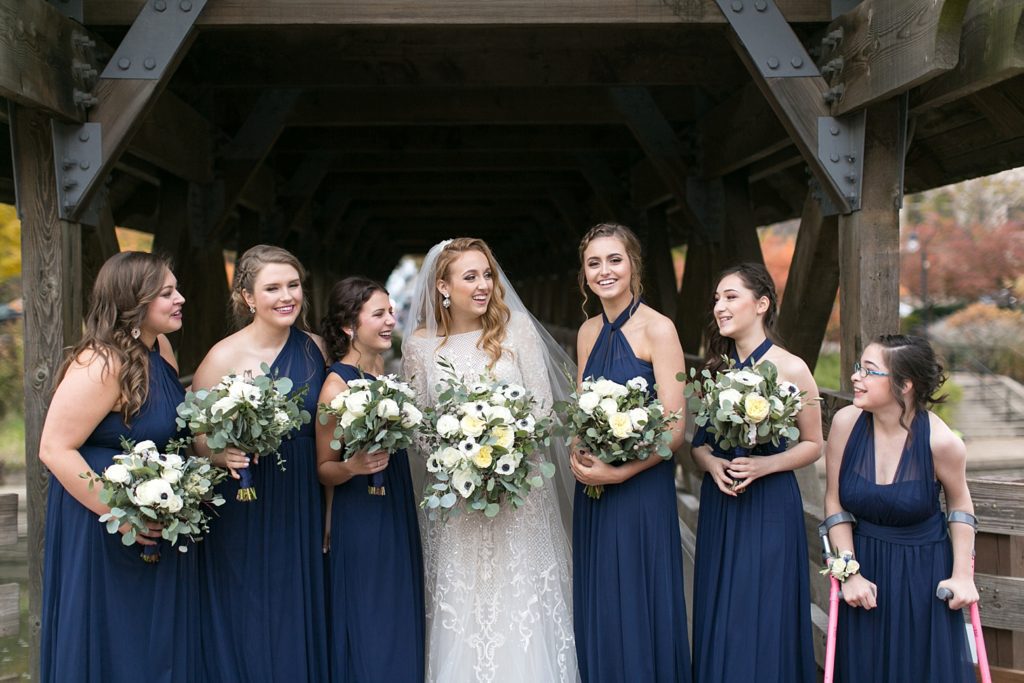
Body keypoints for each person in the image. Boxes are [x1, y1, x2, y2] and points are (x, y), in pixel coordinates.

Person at [401, 237, 577, 682]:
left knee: (523, 605)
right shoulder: (420, 346)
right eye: (470, 276)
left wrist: (508, 453)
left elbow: (540, 410)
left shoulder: (515, 329)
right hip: (458, 504)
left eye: (487, 275)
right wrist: (460, 459)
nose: (483, 286)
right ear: (442, 286)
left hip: (522, 499)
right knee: (466, 606)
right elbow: (420, 427)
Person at [39, 252, 195, 682]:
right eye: (166, 293)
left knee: (148, 642)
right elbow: (54, 447)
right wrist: (119, 512)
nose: (180, 298)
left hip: (150, 518)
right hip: (102, 523)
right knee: (112, 637)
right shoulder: (101, 362)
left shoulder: (160, 349)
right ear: (134, 301)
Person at [193, 245, 328, 682]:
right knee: (247, 605)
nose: (287, 296)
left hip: (300, 495)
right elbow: (194, 434)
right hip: (245, 499)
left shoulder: (315, 350)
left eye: (293, 286)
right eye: (273, 288)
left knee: (294, 603)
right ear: (248, 297)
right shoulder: (222, 357)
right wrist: (217, 452)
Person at [569, 223, 692, 682]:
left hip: (640, 487)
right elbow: (582, 409)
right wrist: (576, 448)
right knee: (601, 593)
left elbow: (675, 429)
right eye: (594, 263)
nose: (605, 271)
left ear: (633, 264)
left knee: (640, 596)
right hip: (594, 491)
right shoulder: (586, 332)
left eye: (614, 260)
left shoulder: (659, 329)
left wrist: (621, 473)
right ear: (584, 274)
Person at [689, 263, 822, 683]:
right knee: (720, 605)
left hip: (769, 504)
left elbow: (813, 444)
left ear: (761, 304)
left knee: (764, 606)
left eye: (730, 297)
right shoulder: (716, 368)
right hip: (722, 502)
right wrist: (710, 464)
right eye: (716, 299)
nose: (720, 307)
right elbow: (699, 444)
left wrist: (767, 464)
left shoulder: (793, 368)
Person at [824, 334, 977, 682]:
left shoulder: (941, 442)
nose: (855, 377)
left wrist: (962, 575)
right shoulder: (845, 425)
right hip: (864, 573)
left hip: (923, 574)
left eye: (869, 371)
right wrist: (849, 573)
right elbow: (834, 500)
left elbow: (960, 504)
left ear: (904, 384)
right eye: (857, 367)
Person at [316, 276, 425, 682]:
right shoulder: (335, 386)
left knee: (398, 605)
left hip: (394, 500)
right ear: (349, 326)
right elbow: (324, 466)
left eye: (390, 312)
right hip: (359, 508)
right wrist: (352, 467)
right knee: (371, 612)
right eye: (378, 314)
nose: (389, 321)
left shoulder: (380, 369)